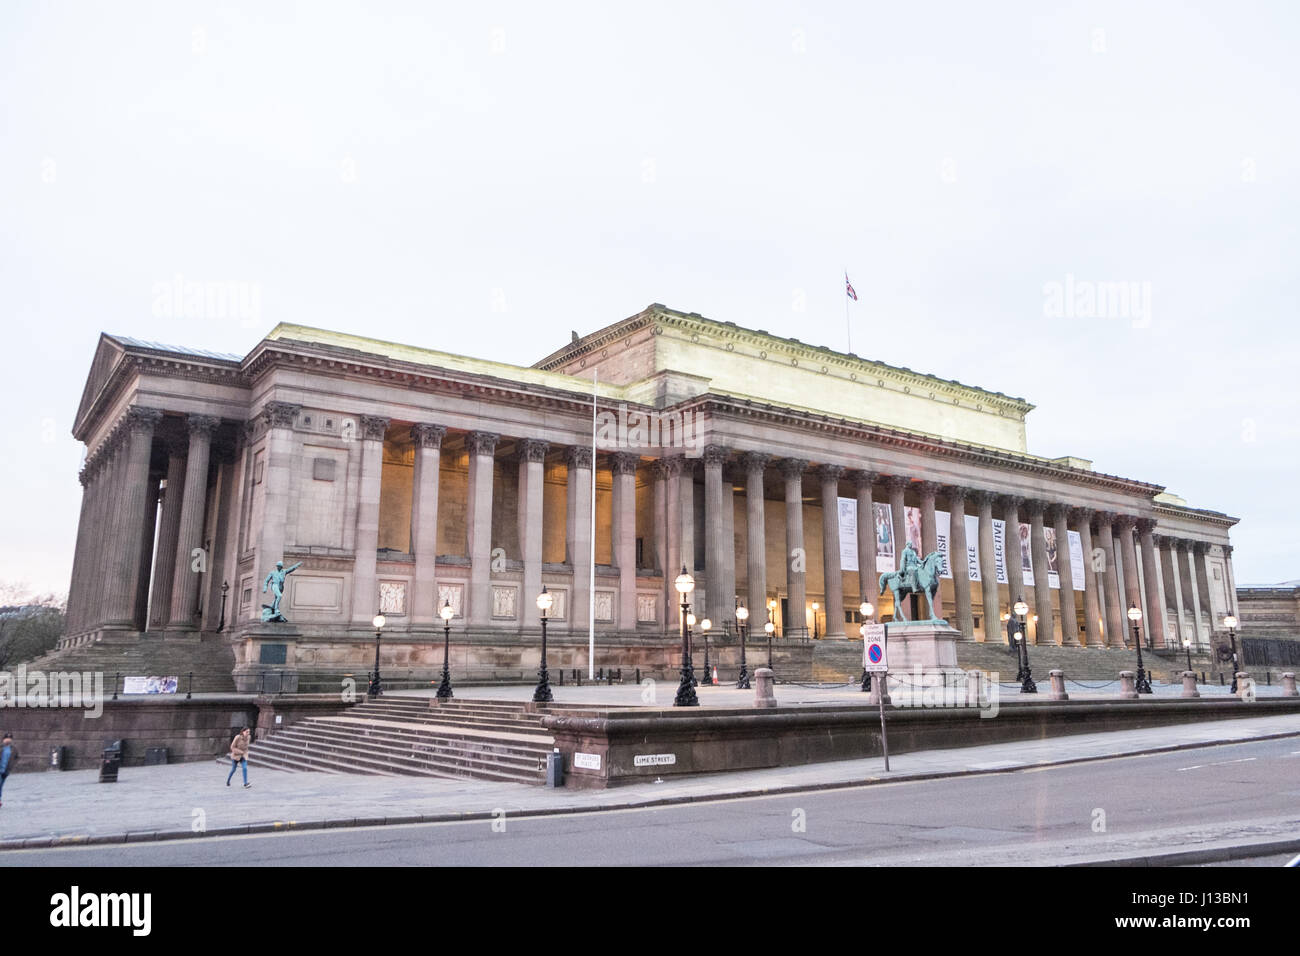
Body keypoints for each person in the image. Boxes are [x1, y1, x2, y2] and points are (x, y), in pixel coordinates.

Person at [0, 734, 16, 806]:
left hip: (6, 770)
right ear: (3, 739)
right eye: (6, 738)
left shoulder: (13, 749)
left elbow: (17, 757)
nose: (8, 740)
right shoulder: (1, 747)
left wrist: (12, 764)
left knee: (1, 785)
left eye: (10, 738)